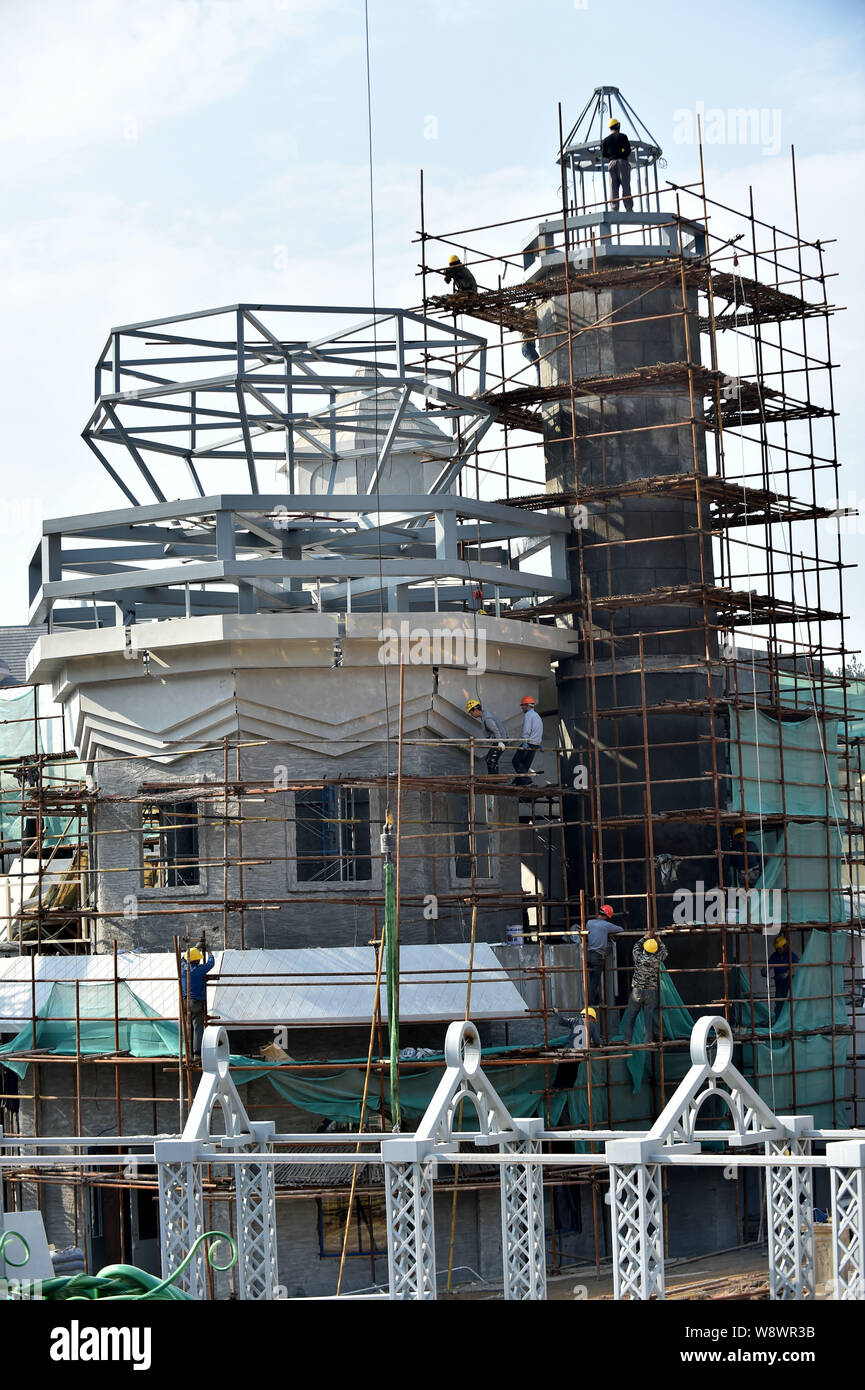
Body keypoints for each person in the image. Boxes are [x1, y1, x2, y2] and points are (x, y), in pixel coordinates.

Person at [622, 932, 669, 1046]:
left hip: (637, 990)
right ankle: (647, 1040)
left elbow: (636, 947)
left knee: (631, 1016)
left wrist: (645, 937)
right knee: (648, 1017)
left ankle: (627, 1040)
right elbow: (665, 952)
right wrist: (659, 940)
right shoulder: (657, 959)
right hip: (650, 991)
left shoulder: (639, 958)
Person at [572, 903, 623, 1006]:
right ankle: (590, 1003)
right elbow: (620, 929)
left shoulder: (589, 923)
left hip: (589, 954)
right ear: (606, 916)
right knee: (594, 981)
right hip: (598, 956)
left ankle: (596, 1000)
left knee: (591, 979)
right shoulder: (606, 925)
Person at [180, 942, 215, 1060]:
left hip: (185, 1002)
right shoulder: (200, 970)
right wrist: (209, 950)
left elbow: (183, 958)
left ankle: (188, 1053)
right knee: (197, 1027)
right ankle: (197, 1053)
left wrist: (195, 947)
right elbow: (211, 963)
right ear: (197, 961)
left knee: (187, 1027)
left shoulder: (183, 967)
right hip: (197, 1002)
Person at [465, 698, 508, 774]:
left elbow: (495, 730)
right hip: (498, 740)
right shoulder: (485, 714)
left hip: (500, 740)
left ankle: (494, 781)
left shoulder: (487, 718)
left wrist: (500, 742)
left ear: (475, 709)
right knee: (490, 759)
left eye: (471, 713)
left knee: (491, 760)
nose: (471, 715)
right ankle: (493, 779)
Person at [761, 934, 799, 1020]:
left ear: (785, 946)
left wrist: (788, 973)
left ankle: (791, 1022)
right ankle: (779, 1022)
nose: (778, 950)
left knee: (790, 1002)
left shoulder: (791, 955)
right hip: (779, 984)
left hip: (790, 983)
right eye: (777, 949)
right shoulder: (775, 955)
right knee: (779, 1003)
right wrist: (764, 970)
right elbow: (769, 965)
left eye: (780, 948)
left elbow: (795, 967)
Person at [601, 118, 634, 212]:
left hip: (611, 164)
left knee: (613, 187)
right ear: (618, 126)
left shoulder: (606, 140)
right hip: (622, 162)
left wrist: (612, 154)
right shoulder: (623, 137)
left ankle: (614, 209)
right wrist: (621, 151)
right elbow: (628, 150)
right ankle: (629, 208)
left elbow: (604, 154)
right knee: (625, 185)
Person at [511, 695, 542, 785]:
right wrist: (539, 742)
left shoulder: (528, 715)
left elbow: (526, 730)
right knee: (525, 764)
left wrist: (524, 742)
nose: (522, 708)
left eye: (523, 706)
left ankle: (527, 781)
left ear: (527, 706)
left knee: (516, 761)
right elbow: (539, 729)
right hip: (535, 743)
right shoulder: (537, 715)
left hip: (529, 742)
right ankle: (518, 781)